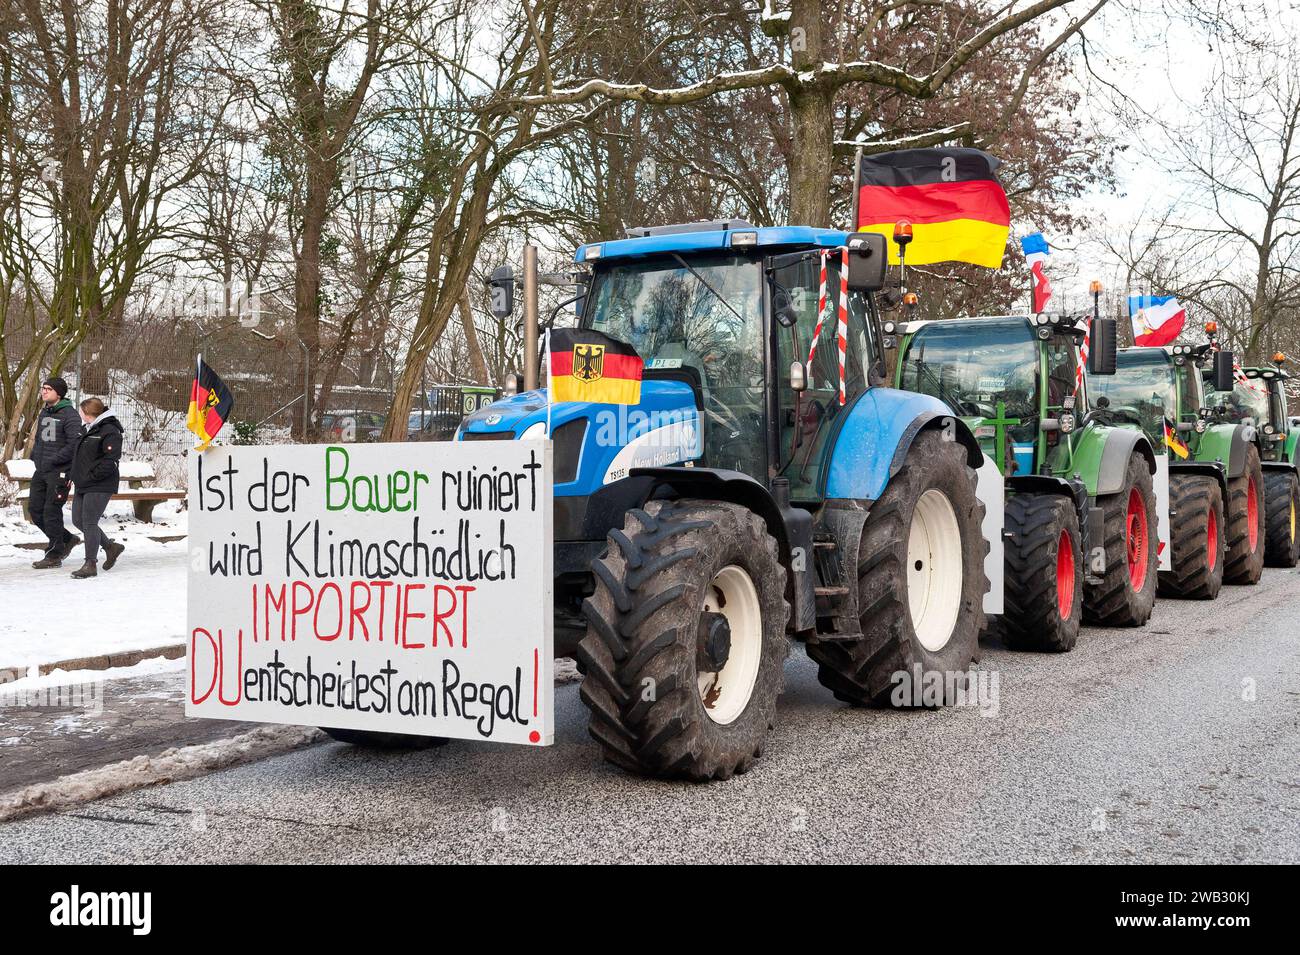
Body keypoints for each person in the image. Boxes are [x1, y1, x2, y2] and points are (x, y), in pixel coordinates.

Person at [29, 377, 84, 568]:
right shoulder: (45, 412)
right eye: (43, 388)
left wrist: (54, 460)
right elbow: (39, 439)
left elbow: (74, 444)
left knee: (51, 511)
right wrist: (35, 456)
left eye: (48, 389)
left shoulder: (70, 415)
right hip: (41, 470)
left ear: (58, 393)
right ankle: (67, 539)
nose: (44, 391)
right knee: (35, 510)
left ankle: (54, 554)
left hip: (59, 472)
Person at [68, 397, 126, 579]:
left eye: (81, 411)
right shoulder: (87, 428)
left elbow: (111, 461)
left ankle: (90, 564)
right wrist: (73, 475)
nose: (79, 414)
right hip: (83, 483)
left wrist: (91, 477)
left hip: (100, 483)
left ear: (88, 413)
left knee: (89, 522)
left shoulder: (110, 430)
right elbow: (78, 456)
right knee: (78, 519)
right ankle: (110, 547)